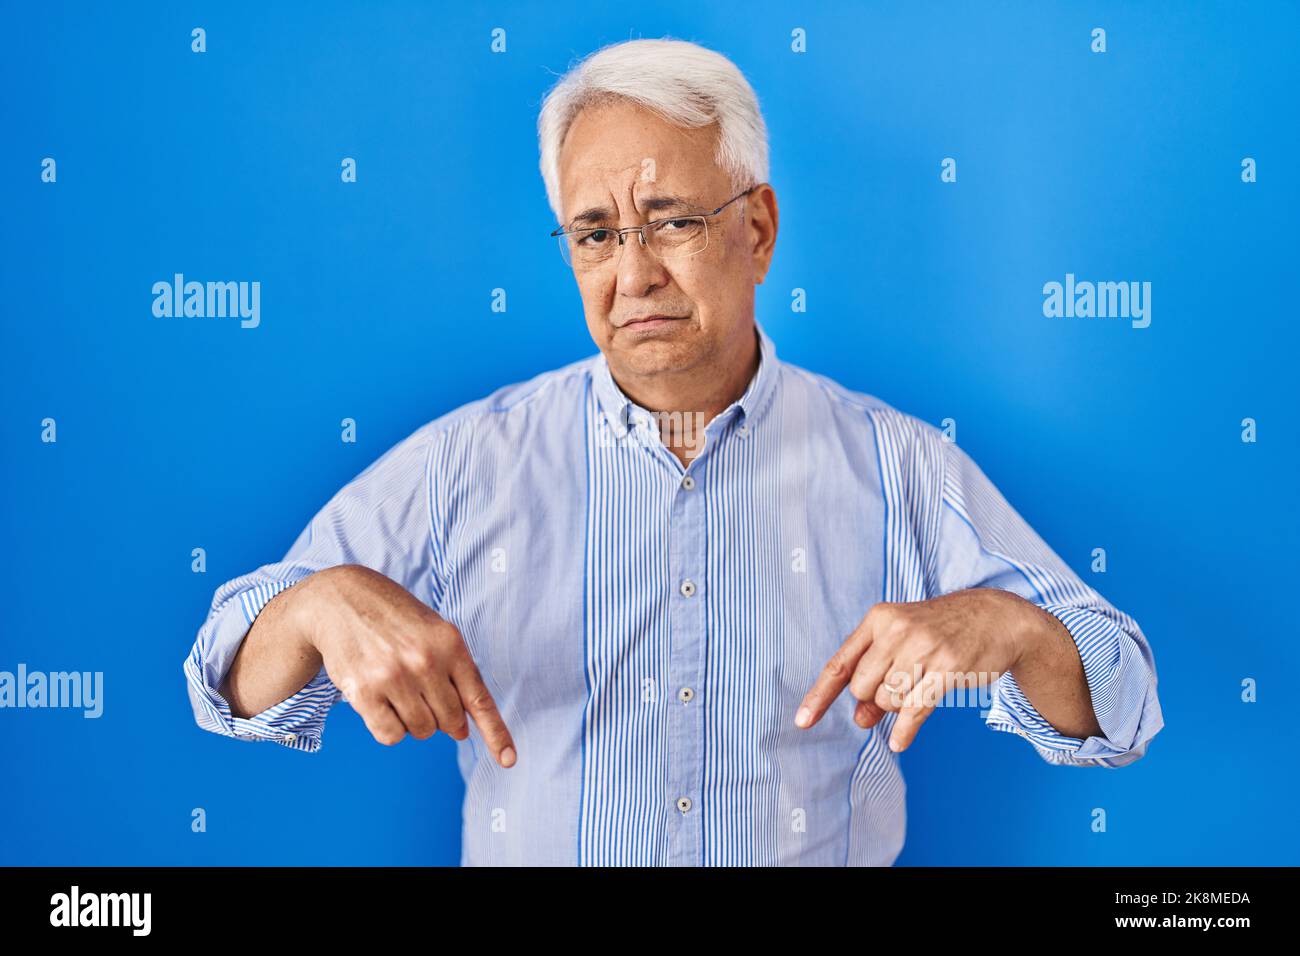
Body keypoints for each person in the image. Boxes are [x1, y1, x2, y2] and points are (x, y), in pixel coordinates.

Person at [183, 37, 1164, 866]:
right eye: (595, 234)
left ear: (759, 230)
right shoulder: (462, 464)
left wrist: (1013, 626)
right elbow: (225, 685)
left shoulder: (894, 463)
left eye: (671, 223)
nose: (633, 274)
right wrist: (313, 602)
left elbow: (1122, 703)